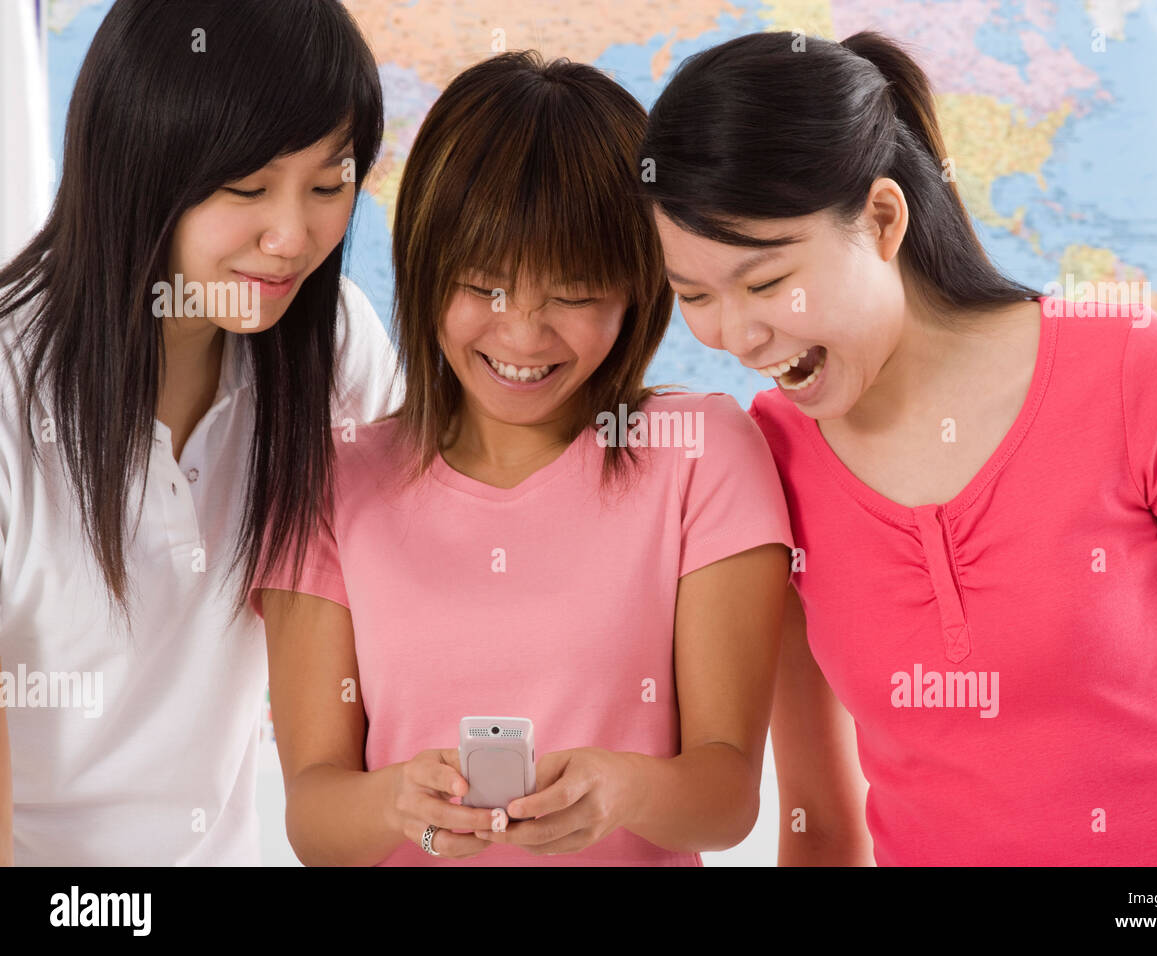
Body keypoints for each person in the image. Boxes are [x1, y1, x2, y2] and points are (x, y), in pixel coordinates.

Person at [640, 29, 1157, 865]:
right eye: (693, 294)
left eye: (767, 282)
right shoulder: (772, 453)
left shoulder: (1140, 373)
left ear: (882, 219)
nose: (736, 332)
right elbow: (817, 819)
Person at [251, 50, 794, 866]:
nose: (523, 336)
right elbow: (313, 818)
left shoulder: (702, 457)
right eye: (484, 286)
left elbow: (726, 798)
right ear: (426, 268)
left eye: (574, 295)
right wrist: (393, 804)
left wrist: (624, 791)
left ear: (636, 291)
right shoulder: (331, 482)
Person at [0, 0, 401, 865]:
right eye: (248, 188)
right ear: (136, 167)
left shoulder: (331, 347)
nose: (293, 237)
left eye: (329, 185)